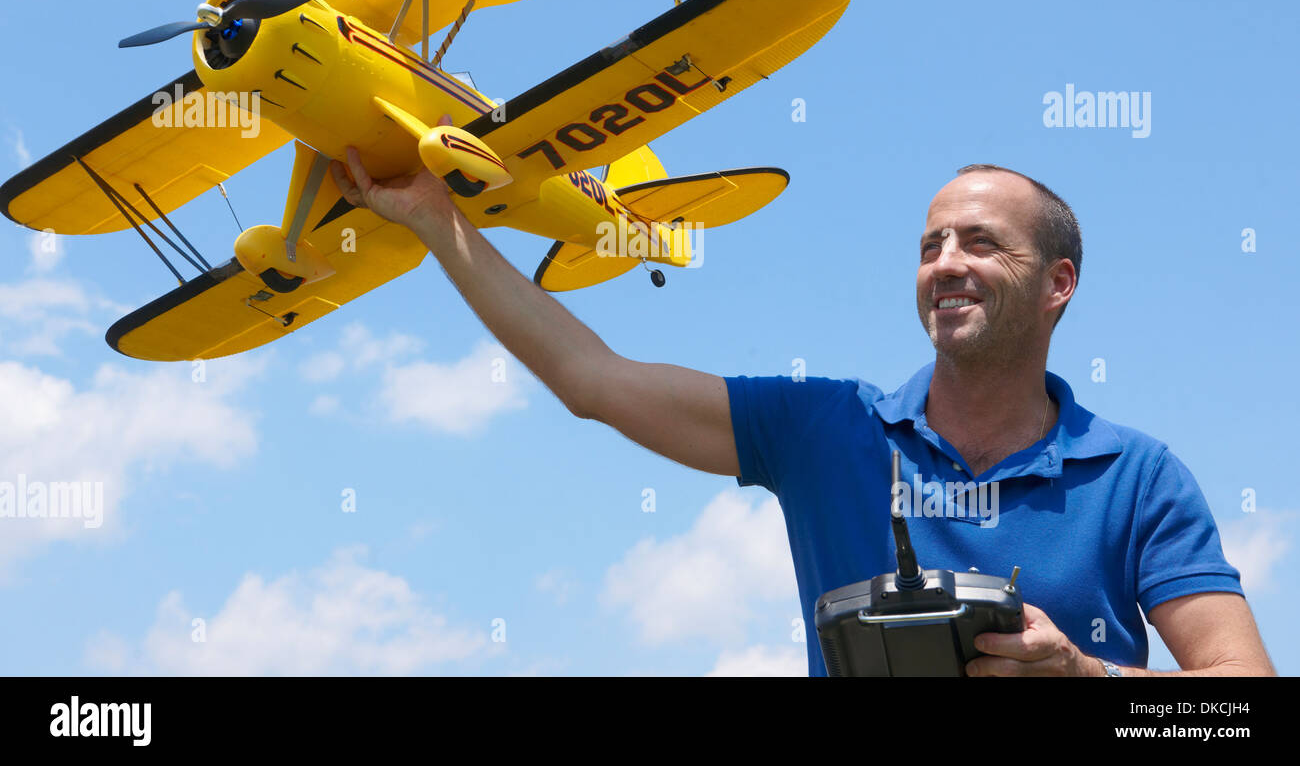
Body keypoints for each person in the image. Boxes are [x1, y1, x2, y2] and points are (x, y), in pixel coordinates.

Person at [329, 150, 1275, 677]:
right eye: (930, 243)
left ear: (1059, 283)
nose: (945, 261)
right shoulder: (825, 431)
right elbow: (592, 378)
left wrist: (1085, 680)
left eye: (980, 243)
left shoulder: (1138, 476)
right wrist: (434, 216)